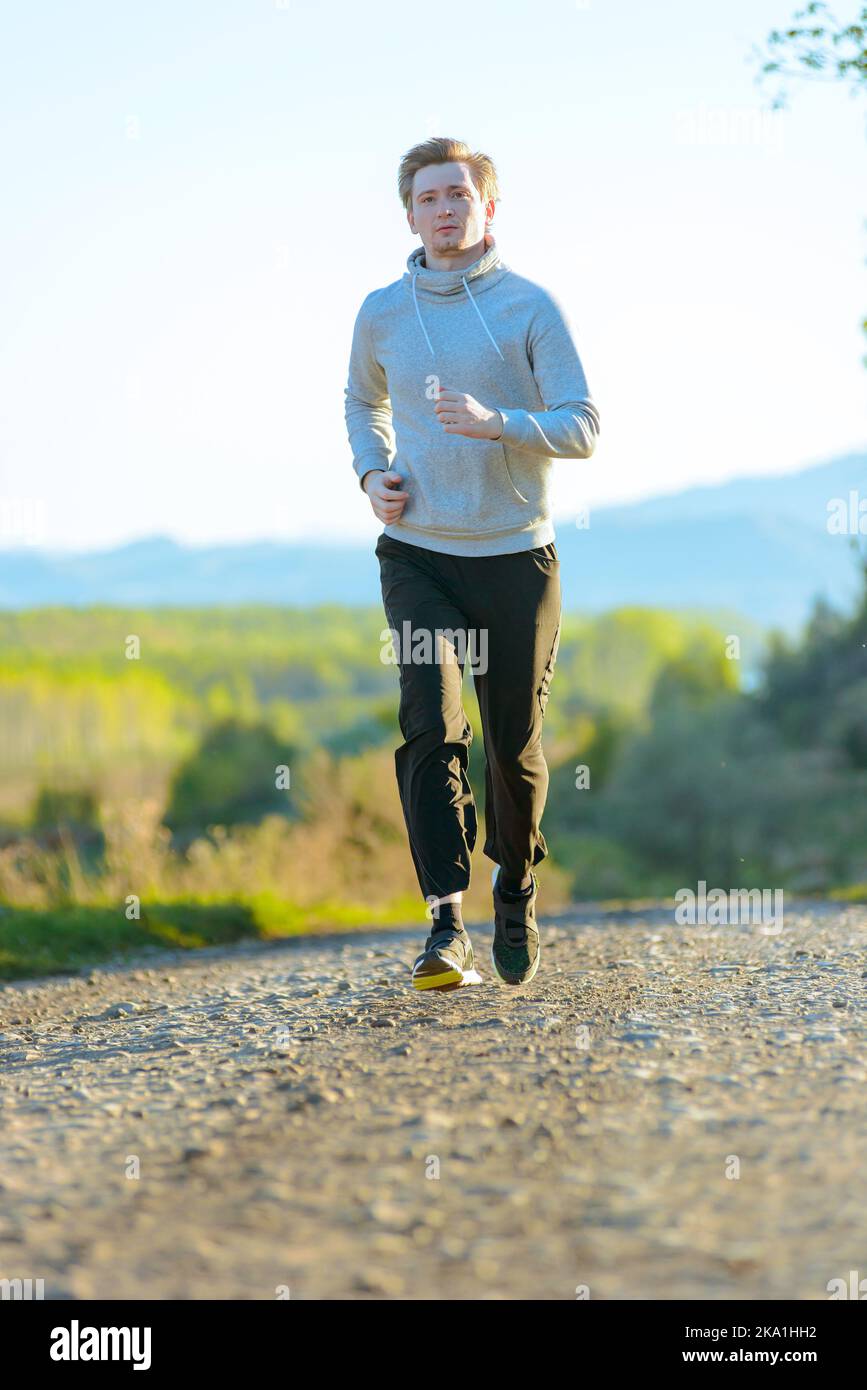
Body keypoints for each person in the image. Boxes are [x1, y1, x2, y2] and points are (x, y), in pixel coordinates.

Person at [344, 136, 600, 991]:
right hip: (417, 553)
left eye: (457, 194)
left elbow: (583, 426)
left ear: (487, 206)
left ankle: (514, 883)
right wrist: (371, 471)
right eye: (427, 197)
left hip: (515, 557)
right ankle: (444, 920)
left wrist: (500, 424)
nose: (443, 209)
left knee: (512, 747)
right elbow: (361, 399)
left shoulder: (529, 306)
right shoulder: (382, 310)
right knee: (430, 723)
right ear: (409, 215)